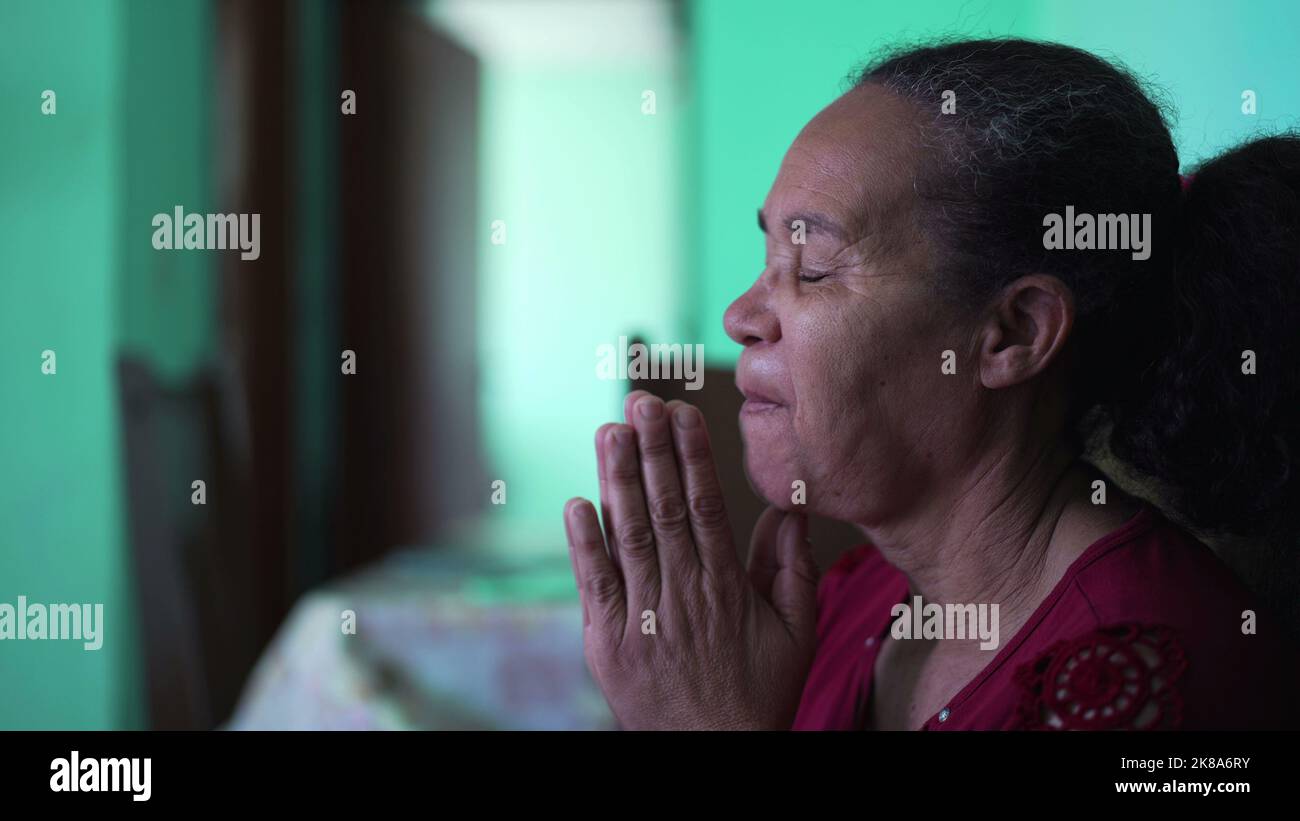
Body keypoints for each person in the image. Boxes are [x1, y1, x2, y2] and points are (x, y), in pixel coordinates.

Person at [563, 38, 1300, 730]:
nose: (738, 317)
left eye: (811, 269)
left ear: (1013, 333)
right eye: (765, 260)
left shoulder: (1151, 682)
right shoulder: (848, 599)